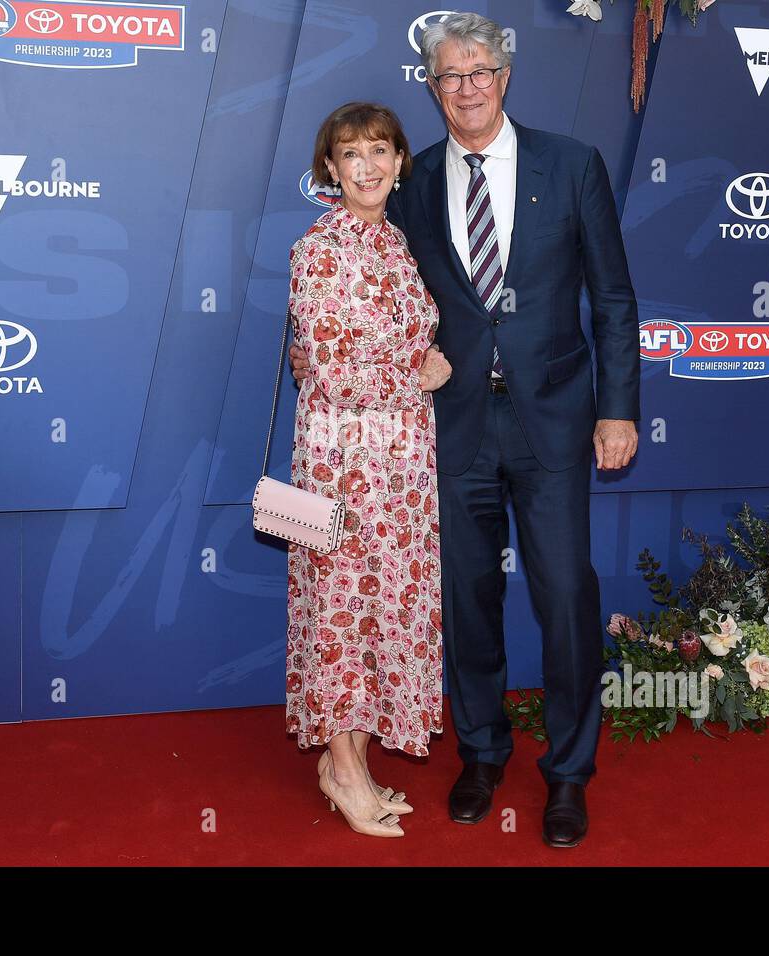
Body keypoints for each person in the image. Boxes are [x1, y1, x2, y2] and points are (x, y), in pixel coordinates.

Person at [290, 12, 641, 848]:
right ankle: (481, 752)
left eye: (481, 70)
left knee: (564, 595)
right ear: (433, 88)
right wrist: (317, 360)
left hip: (553, 421)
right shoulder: (407, 185)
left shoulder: (573, 164)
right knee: (465, 599)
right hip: (444, 431)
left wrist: (617, 406)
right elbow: (362, 303)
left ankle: (567, 773)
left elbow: (615, 299)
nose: (468, 87)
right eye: (451, 75)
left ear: (505, 77)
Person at [285, 102, 453, 838]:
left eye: (379, 151)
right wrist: (422, 375)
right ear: (330, 169)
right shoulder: (319, 248)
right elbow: (329, 367)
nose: (368, 166)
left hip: (403, 464)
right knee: (343, 605)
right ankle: (344, 771)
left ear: (398, 160)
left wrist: (416, 375)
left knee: (381, 606)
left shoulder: (393, 241)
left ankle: (346, 761)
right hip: (343, 461)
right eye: (351, 154)